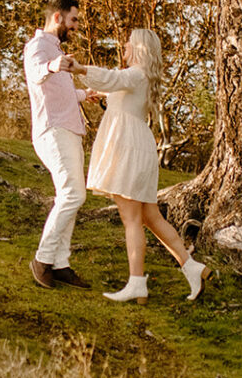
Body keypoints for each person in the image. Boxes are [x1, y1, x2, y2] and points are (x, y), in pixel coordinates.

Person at [68, 28, 209, 304]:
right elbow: (117, 86)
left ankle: (136, 283)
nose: (124, 46)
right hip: (139, 146)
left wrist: (81, 68)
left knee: (131, 218)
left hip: (128, 148)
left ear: (140, 49)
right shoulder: (142, 76)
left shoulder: (135, 73)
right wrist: (102, 92)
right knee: (150, 217)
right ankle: (192, 267)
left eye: (129, 43)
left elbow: (114, 78)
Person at [21, 0, 100, 290]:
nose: (76, 26)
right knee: (73, 196)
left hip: (68, 130)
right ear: (58, 17)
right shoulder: (39, 47)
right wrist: (54, 66)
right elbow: (36, 74)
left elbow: (57, 94)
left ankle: (61, 264)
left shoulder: (55, 50)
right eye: (74, 20)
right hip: (53, 131)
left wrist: (84, 95)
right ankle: (43, 260)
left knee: (68, 196)